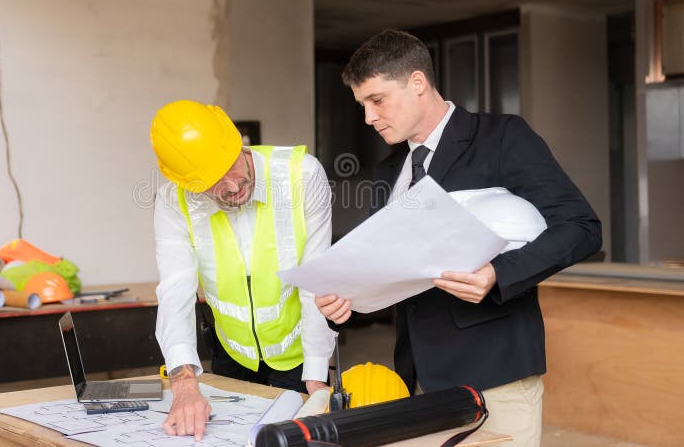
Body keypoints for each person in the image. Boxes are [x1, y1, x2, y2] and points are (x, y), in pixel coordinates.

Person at [316, 29, 601, 446]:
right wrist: (347, 302)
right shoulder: (388, 170)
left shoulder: (503, 137)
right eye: (362, 106)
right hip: (416, 380)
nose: (368, 118)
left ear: (417, 83)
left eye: (376, 101)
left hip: (495, 375)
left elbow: (581, 227)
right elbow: (391, 270)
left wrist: (498, 275)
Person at [150, 100, 335, 440]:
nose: (232, 186)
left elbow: (315, 280)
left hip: (298, 358)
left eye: (230, 166)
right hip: (230, 358)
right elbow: (176, 291)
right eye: (211, 182)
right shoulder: (173, 202)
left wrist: (317, 370)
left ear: (238, 140)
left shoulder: (302, 175)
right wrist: (185, 382)